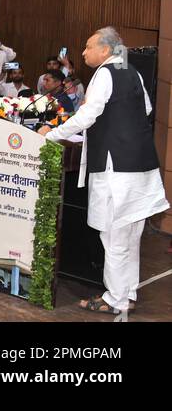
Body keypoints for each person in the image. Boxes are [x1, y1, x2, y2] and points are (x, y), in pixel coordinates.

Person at [40, 27, 168, 315]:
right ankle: (126, 293)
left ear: (106, 51)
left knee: (114, 237)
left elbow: (87, 115)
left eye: (88, 47)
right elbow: (145, 108)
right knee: (129, 236)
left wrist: (52, 133)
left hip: (116, 169)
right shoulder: (130, 71)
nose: (83, 52)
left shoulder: (106, 73)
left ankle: (116, 299)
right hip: (140, 165)